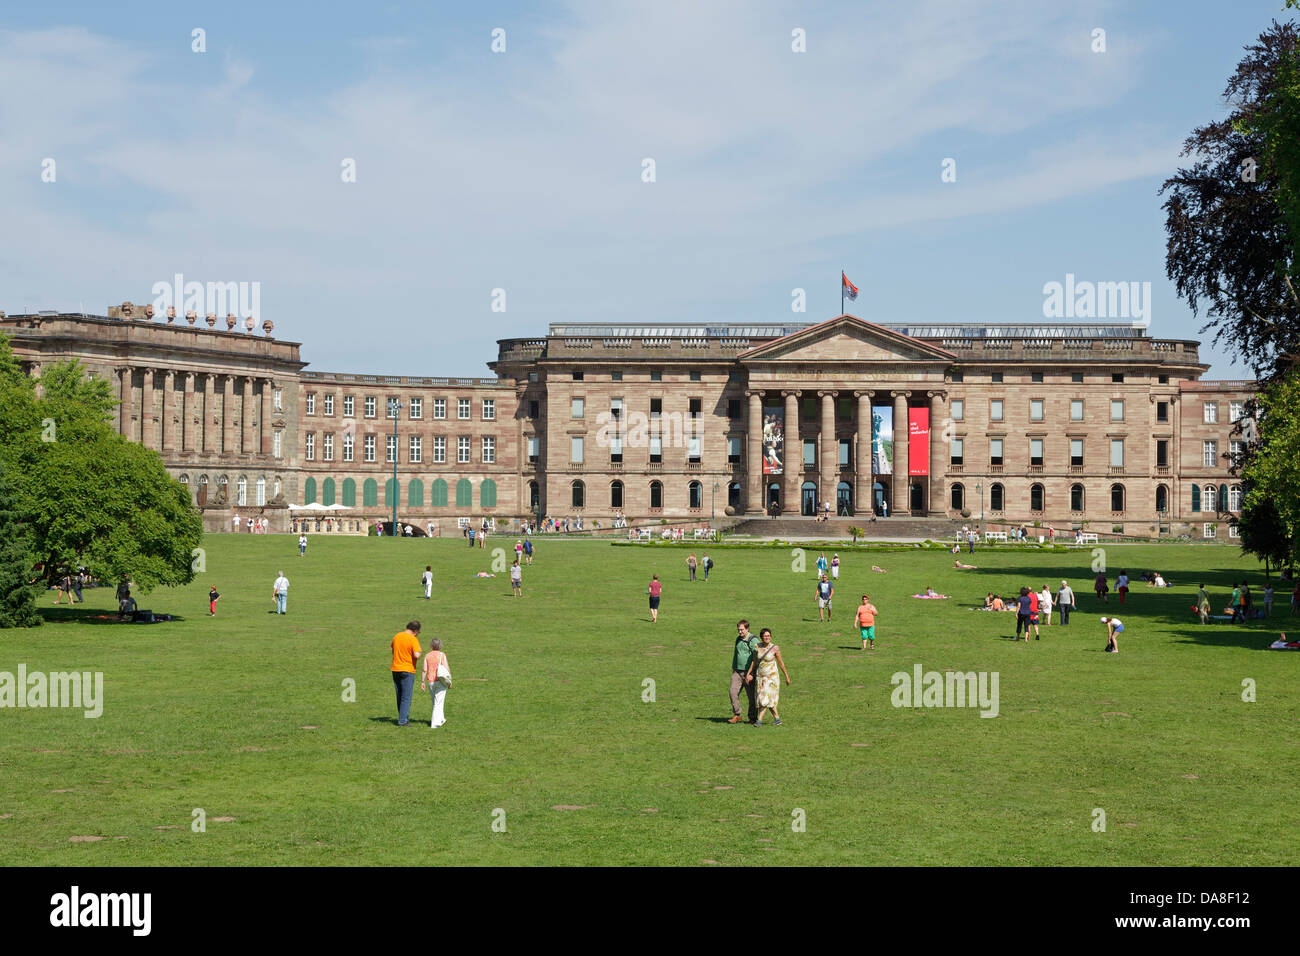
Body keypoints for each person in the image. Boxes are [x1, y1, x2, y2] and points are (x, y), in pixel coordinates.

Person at [746, 628, 791, 726]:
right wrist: (749, 673)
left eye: (769, 635)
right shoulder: (757, 647)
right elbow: (754, 661)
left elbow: (780, 663)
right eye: (765, 636)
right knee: (766, 698)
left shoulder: (775, 648)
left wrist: (786, 676)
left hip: (771, 678)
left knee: (764, 697)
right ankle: (777, 719)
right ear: (762, 637)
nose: (767, 637)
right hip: (760, 677)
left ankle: (759, 720)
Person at [390, 621, 423, 726]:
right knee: (406, 696)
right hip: (407, 670)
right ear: (415, 631)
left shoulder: (397, 636)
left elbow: (393, 649)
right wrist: (420, 652)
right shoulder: (413, 639)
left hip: (395, 668)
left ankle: (402, 716)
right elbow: (417, 655)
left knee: (399, 694)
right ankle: (403, 720)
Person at [728, 620, 759, 724]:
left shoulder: (753, 640)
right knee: (732, 692)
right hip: (737, 671)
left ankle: (753, 718)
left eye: (742, 630)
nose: (740, 632)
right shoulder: (738, 639)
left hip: (749, 673)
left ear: (747, 629)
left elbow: (756, 658)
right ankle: (737, 714)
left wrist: (751, 673)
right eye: (738, 630)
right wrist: (734, 667)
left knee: (751, 697)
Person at [420, 636, 452, 729]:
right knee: (439, 702)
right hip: (440, 680)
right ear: (440, 645)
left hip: (430, 681)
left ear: (431, 645)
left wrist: (422, 681)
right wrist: (450, 680)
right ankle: (435, 723)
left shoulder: (427, 655)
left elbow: (424, 670)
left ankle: (441, 719)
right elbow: (446, 668)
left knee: (435, 701)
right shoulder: (442, 655)